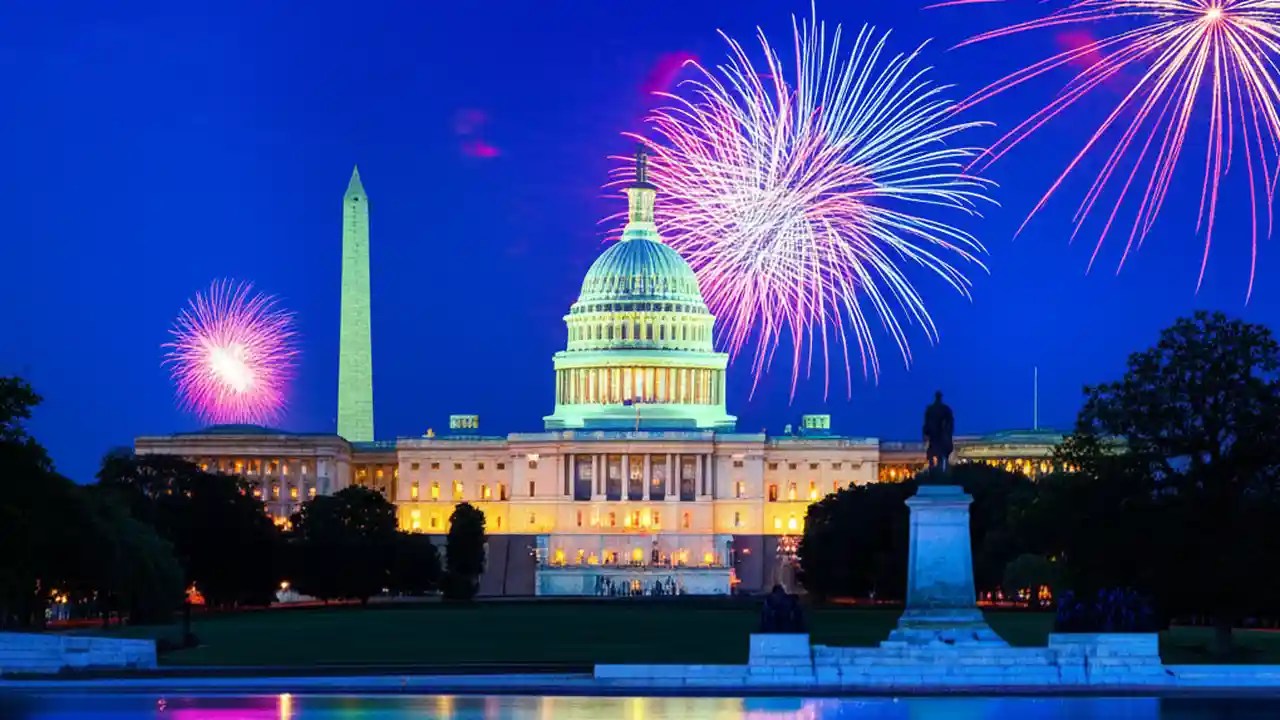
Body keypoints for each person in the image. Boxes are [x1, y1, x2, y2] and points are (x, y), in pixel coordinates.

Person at [922, 390, 955, 475]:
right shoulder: (944, 408)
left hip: (936, 433)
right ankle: (936, 470)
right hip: (937, 434)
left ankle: (934, 470)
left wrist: (925, 433)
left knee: (934, 452)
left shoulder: (931, 408)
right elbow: (950, 421)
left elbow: (926, 422)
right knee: (937, 453)